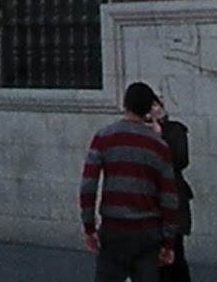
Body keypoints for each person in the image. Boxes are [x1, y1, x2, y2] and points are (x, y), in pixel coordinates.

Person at [80, 81, 179, 281]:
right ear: (148, 109)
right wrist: (169, 242)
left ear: (125, 104)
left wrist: (89, 228)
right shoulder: (159, 146)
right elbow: (169, 197)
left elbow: (88, 185)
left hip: (114, 228)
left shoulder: (104, 137)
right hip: (148, 231)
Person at [150, 96, 192, 282]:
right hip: (149, 203)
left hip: (173, 201)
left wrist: (159, 138)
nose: (152, 110)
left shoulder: (175, 130)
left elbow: (180, 160)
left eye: (155, 105)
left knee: (174, 256)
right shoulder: (139, 132)